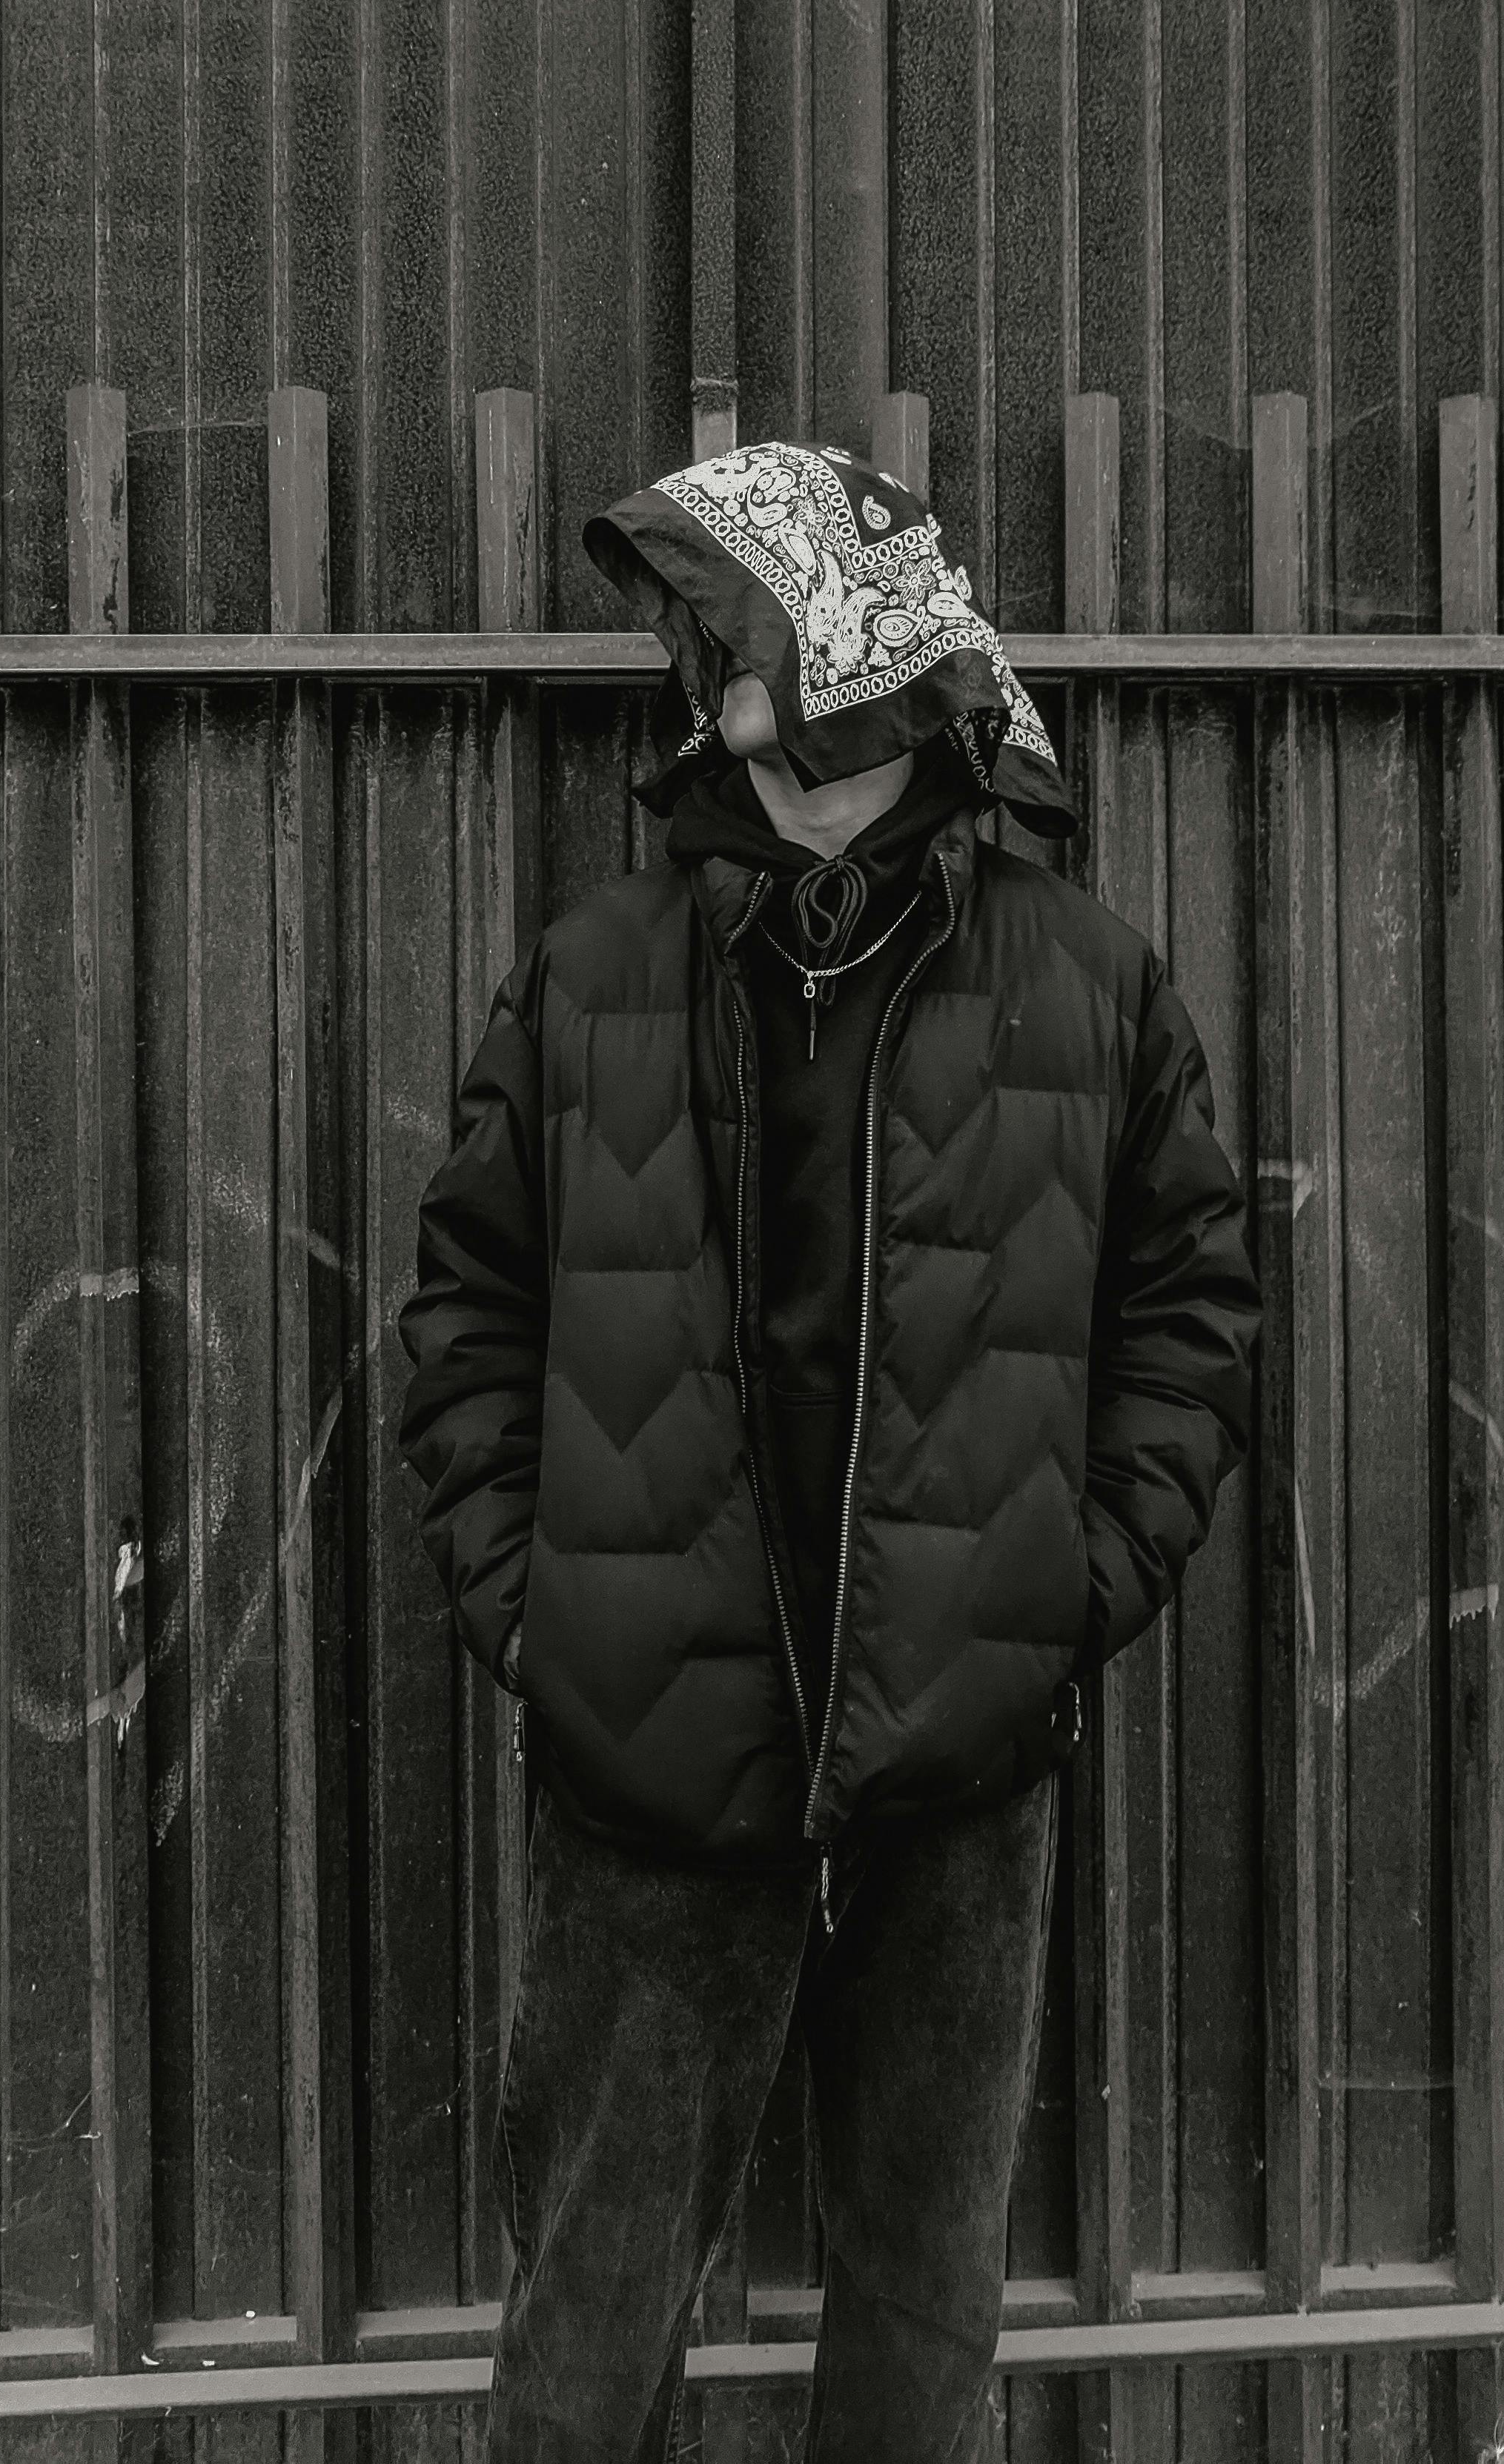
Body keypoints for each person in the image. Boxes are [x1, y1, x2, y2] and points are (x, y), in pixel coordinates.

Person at [399, 439, 1261, 2463]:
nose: (702, 675)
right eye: (694, 636)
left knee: (918, 2308)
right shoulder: (599, 971)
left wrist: (1054, 1599)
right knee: (589, 2314)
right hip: (647, 1765)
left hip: (954, 1762)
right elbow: (466, 1310)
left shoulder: (1079, 978)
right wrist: (546, 1622)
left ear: (847, 659)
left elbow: (1188, 1314)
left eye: (727, 625)